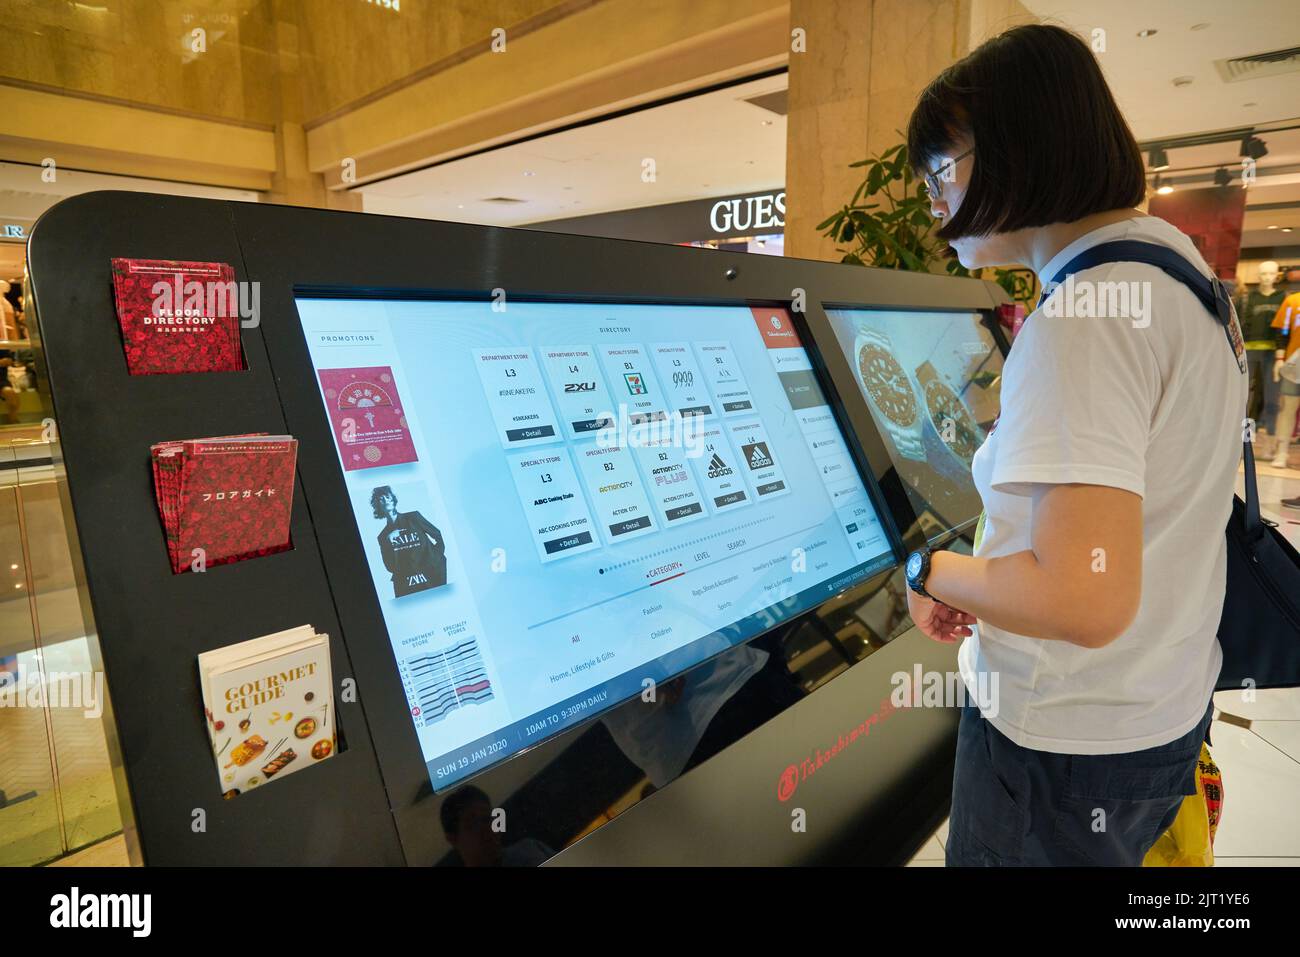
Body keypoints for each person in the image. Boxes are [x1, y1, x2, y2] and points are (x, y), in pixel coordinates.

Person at [902, 24, 1246, 866]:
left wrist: (929, 572)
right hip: (1152, 708)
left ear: (1018, 149)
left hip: (1062, 742)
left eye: (940, 171)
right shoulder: (1177, 274)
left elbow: (1082, 600)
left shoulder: (1083, 322)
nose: (933, 202)